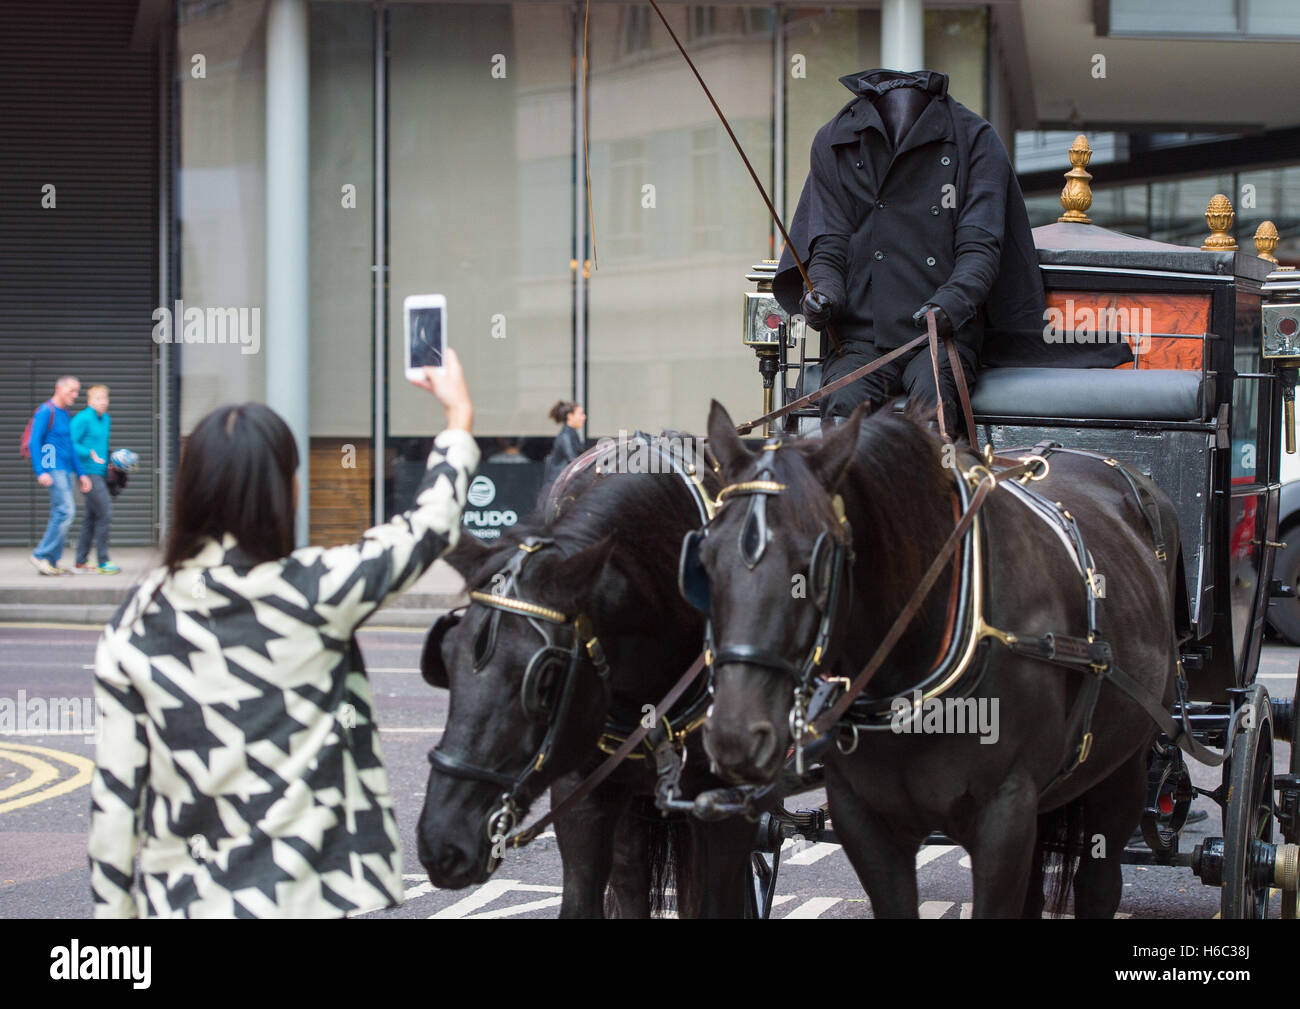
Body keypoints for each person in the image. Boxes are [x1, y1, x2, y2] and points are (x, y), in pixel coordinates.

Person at [88, 350, 477, 918]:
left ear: (189, 492)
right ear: (285, 490)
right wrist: (458, 416)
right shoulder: (316, 590)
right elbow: (430, 525)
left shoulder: (138, 617)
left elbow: (117, 802)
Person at [773, 69, 1043, 424]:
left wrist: (948, 305)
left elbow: (980, 248)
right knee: (840, 409)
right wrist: (823, 295)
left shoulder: (975, 139)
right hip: (861, 338)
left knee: (935, 413)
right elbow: (829, 245)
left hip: (940, 335)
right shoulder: (836, 140)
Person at [29, 376, 92, 575]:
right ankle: (40, 555)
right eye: (71, 390)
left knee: (60, 513)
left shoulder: (65, 414)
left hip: (66, 470)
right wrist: (40, 471)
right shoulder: (46, 410)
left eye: (77, 391)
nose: (75, 395)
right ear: (59, 388)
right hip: (52, 468)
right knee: (66, 511)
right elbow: (34, 442)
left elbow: (71, 447)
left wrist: (81, 474)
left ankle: (51, 561)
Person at [71, 385, 120, 574]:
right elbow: (70, 443)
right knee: (105, 512)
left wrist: (109, 463)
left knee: (91, 518)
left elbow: (102, 444)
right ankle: (103, 561)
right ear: (90, 401)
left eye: (105, 398)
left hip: (100, 473)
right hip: (86, 473)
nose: (103, 402)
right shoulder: (82, 418)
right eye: (98, 398)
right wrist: (88, 453)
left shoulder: (106, 419)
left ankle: (80, 561)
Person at [541, 400, 585, 492]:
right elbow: (573, 460)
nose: (584, 417)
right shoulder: (565, 436)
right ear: (570, 416)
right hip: (558, 489)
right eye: (580, 414)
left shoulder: (572, 434)